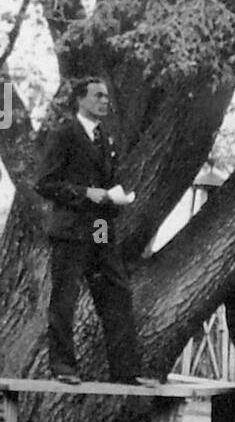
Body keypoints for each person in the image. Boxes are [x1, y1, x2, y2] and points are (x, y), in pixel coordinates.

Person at [36, 76, 155, 386]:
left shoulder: (106, 138)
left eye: (107, 96)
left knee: (117, 294)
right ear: (81, 99)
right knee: (65, 298)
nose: (105, 101)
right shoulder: (64, 134)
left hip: (101, 228)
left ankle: (126, 371)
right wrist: (85, 193)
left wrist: (115, 198)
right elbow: (45, 183)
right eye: (98, 96)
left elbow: (106, 180)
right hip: (72, 230)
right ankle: (63, 365)